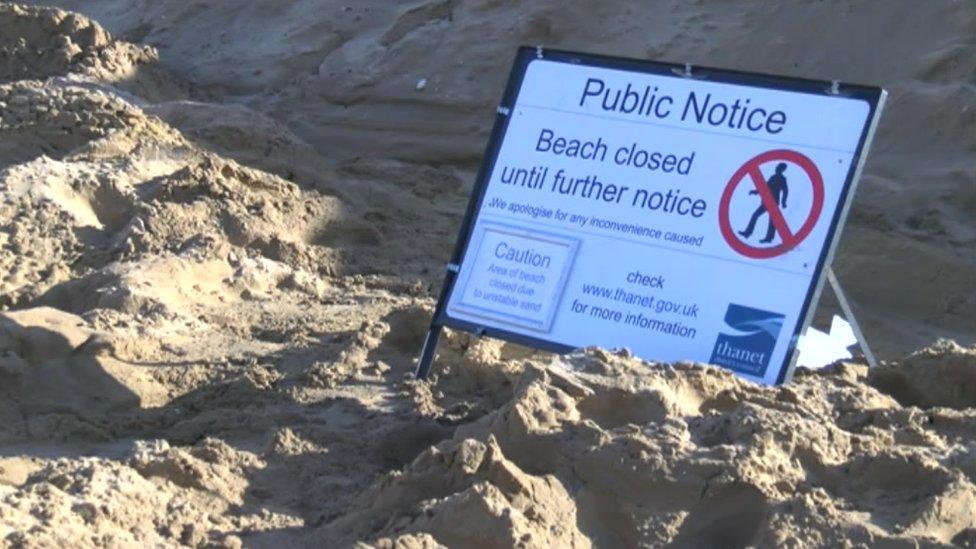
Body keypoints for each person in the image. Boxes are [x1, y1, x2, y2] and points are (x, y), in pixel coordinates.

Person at [739, 162, 789, 244]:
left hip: (774, 202)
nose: (776, 168)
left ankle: (769, 238)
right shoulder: (772, 177)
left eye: (778, 167)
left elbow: (785, 191)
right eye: (776, 167)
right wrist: (755, 192)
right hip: (766, 201)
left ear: (781, 169)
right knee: (755, 215)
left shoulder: (782, 179)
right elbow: (764, 187)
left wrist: (784, 202)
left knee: (772, 221)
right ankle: (747, 233)